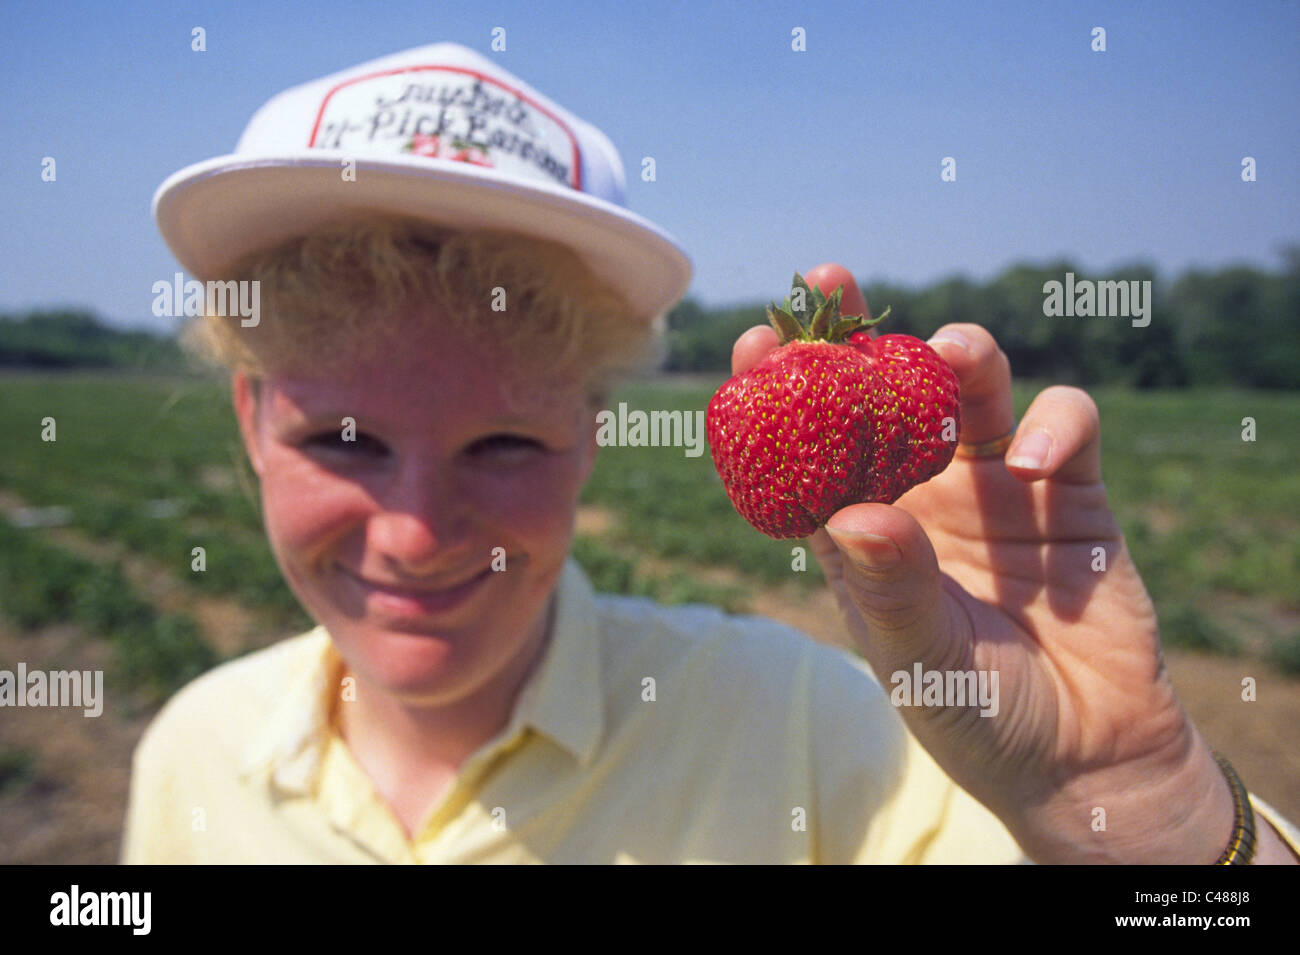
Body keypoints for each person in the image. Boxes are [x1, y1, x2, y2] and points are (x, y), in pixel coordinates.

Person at [122, 42, 1299, 864]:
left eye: (502, 442)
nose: (417, 530)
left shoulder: (812, 733)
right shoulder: (191, 755)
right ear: (248, 419)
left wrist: (1131, 801)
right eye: (344, 439)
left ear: (591, 433)